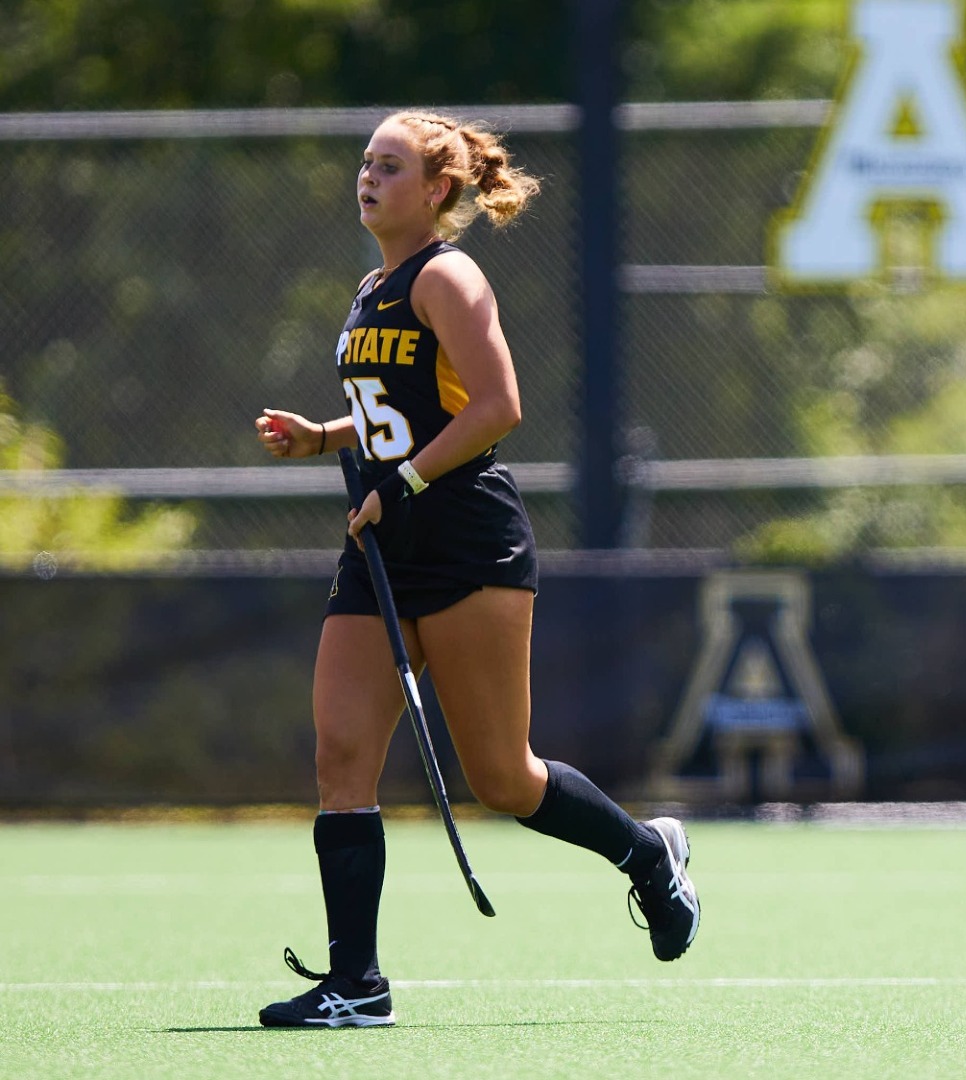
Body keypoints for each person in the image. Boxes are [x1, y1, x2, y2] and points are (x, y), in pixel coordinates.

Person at [252, 110, 698, 1029]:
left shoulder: (448, 277)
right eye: (365, 162)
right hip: (382, 546)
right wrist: (323, 436)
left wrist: (404, 482)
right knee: (341, 755)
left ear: (438, 189)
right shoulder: (372, 286)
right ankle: (357, 984)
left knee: (503, 779)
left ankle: (647, 855)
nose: (367, 177)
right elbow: (403, 408)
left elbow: (497, 407)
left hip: (464, 542)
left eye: (389, 166)